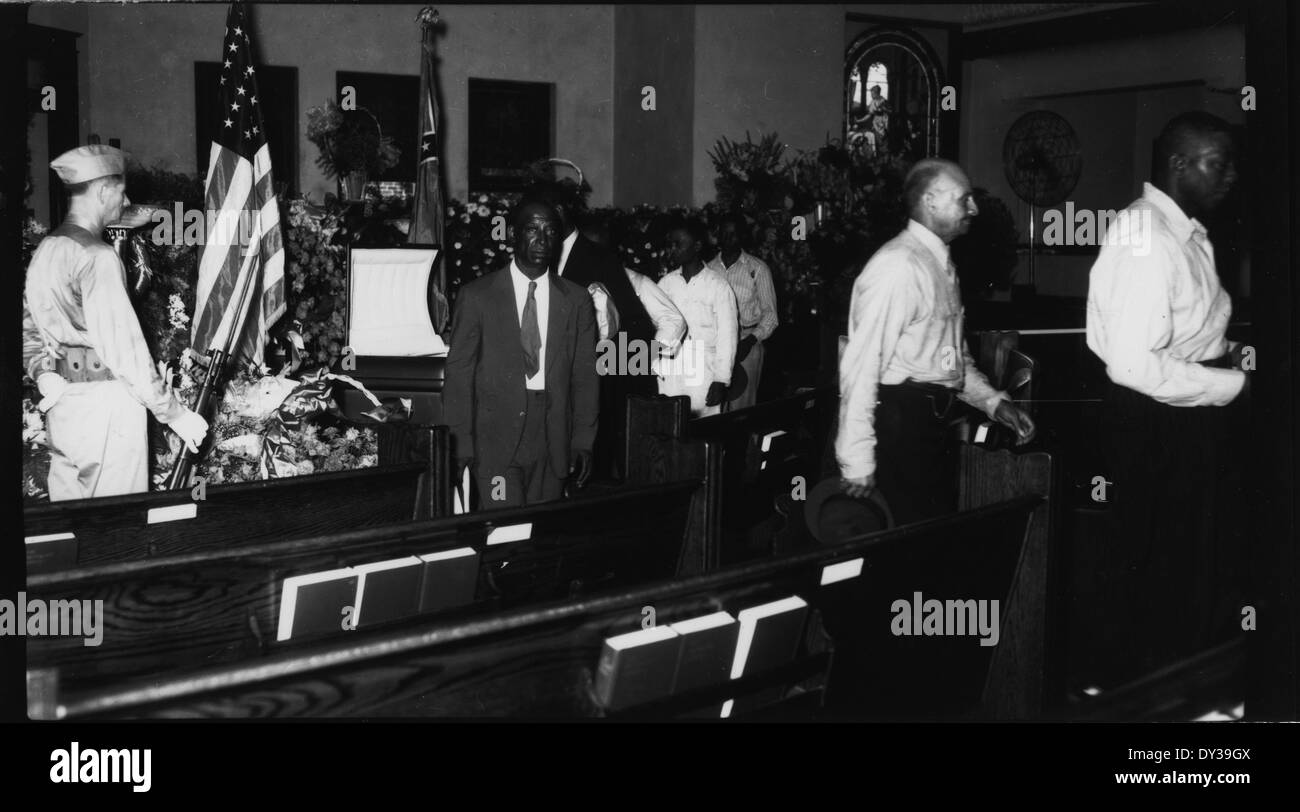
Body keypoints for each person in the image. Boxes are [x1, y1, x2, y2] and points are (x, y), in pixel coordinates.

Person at [1085, 111, 1247, 682]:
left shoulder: (1180, 230)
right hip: (1162, 413)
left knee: (1185, 556)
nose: (1230, 176)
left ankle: (1173, 673)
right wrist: (1232, 386)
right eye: (1218, 163)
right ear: (1179, 164)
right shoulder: (1147, 237)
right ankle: (1147, 689)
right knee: (1162, 560)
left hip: (1183, 405)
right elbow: (1132, 363)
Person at [835, 158, 1035, 525]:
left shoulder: (938, 264)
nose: (973, 208)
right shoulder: (899, 266)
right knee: (901, 554)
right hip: (898, 429)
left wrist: (993, 402)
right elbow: (860, 364)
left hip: (929, 427)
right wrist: (857, 457)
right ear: (930, 201)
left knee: (926, 543)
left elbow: (950, 357)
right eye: (965, 199)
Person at [23, 145, 209, 501]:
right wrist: (175, 414)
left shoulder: (46, 250)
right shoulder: (98, 256)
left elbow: (29, 329)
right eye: (122, 193)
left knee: (73, 530)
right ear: (103, 191)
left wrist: (43, 372)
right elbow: (124, 351)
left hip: (64, 404)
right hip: (107, 407)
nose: (125, 203)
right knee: (117, 529)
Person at [443, 196, 599, 509]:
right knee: (504, 532)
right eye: (532, 230)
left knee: (539, 537)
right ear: (513, 234)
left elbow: (585, 376)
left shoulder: (576, 300)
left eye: (551, 232)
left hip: (552, 437)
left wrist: (583, 441)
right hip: (495, 439)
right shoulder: (478, 297)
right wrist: (460, 444)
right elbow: (459, 376)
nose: (542, 239)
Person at [542, 179, 658, 480]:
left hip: (594, 390)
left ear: (557, 211)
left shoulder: (599, 257)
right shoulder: (538, 255)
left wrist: (600, 366)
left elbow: (639, 325)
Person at [656, 217, 738, 418]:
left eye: (678, 244)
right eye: (670, 245)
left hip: (703, 373)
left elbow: (728, 336)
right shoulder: (666, 284)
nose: (672, 249)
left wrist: (721, 379)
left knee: (701, 433)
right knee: (669, 426)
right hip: (671, 371)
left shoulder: (718, 286)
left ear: (697, 246)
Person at [707, 210, 778, 409]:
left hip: (747, 343)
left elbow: (771, 315)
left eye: (734, 234)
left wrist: (750, 341)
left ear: (743, 236)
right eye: (725, 234)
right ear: (718, 236)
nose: (729, 239)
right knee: (714, 406)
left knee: (742, 407)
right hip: (716, 344)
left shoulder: (758, 269)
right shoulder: (709, 269)